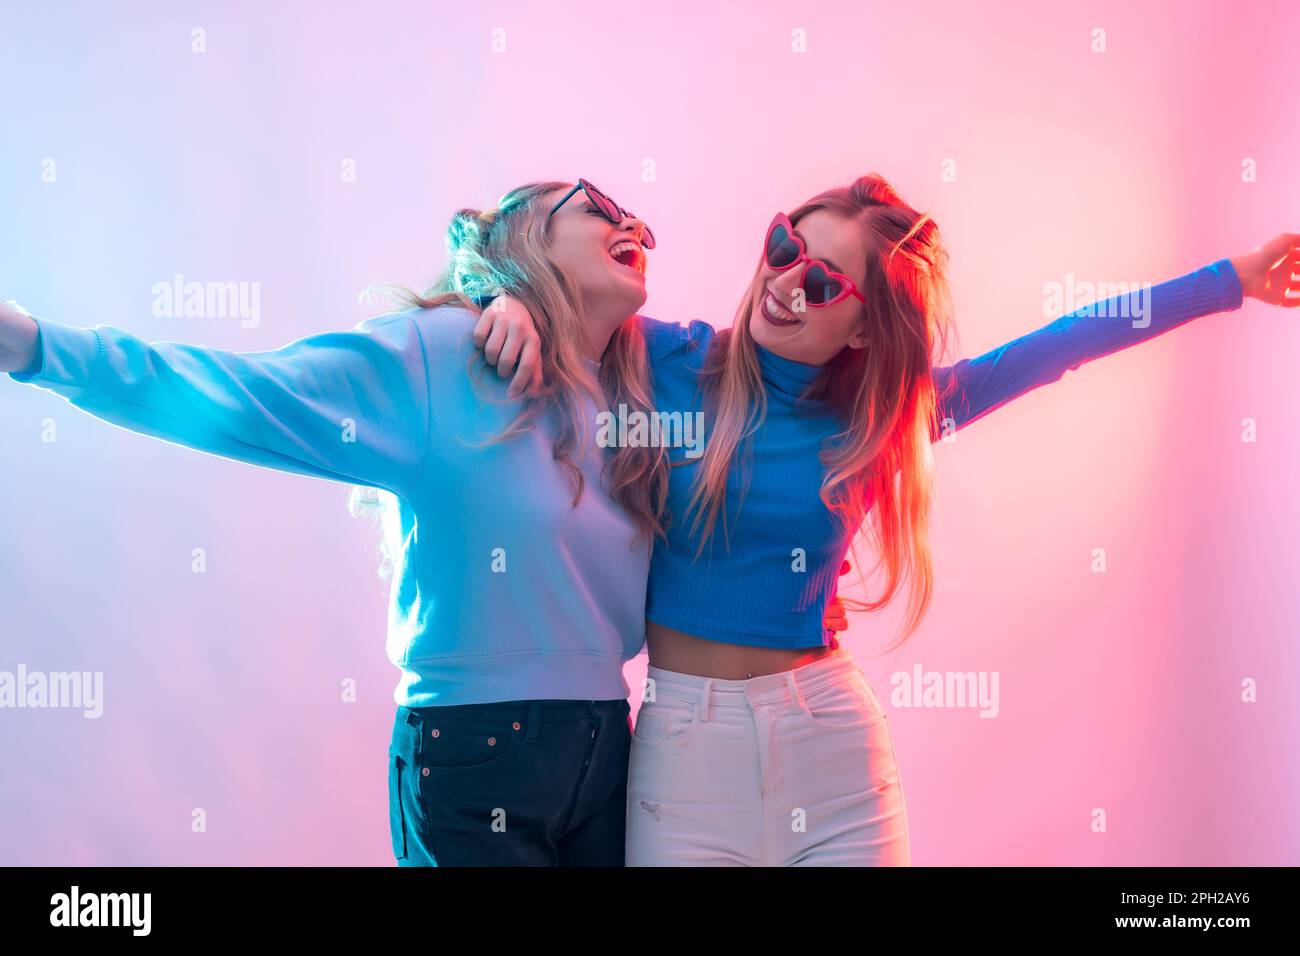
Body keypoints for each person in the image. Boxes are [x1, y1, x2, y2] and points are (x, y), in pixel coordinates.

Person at [477, 172, 1298, 865]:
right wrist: (502, 300)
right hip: (682, 760)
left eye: (826, 281)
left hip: (831, 749)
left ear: (866, 323)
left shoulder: (883, 421)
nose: (788, 282)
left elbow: (1060, 343)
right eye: (783, 248)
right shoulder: (665, 358)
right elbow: (528, 279)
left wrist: (1232, 279)